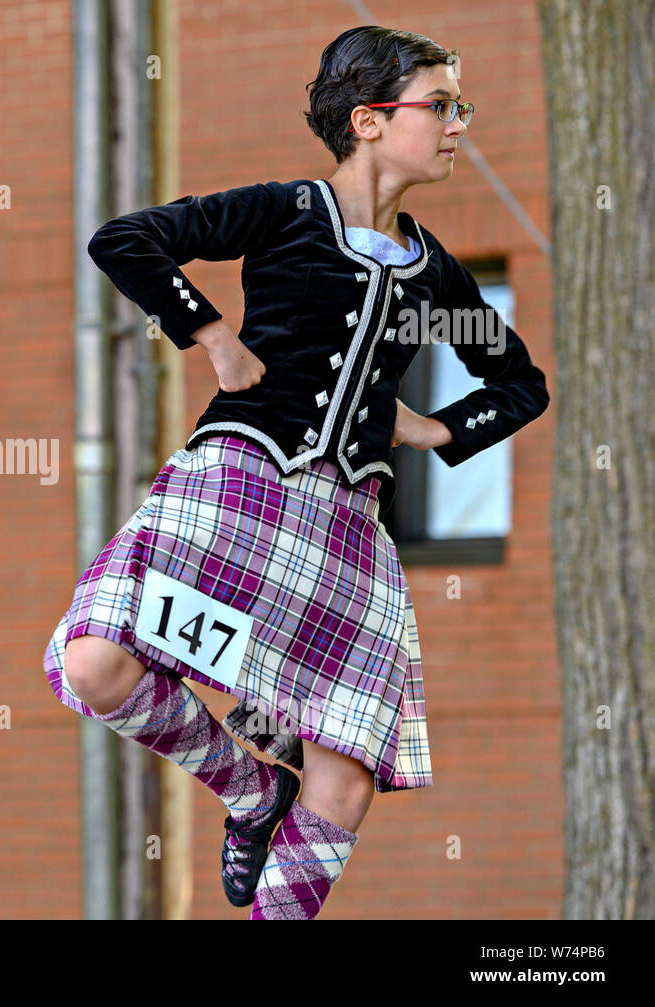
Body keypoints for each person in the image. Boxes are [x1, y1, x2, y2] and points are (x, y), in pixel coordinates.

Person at [42, 25, 550, 919]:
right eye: (441, 105)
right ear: (367, 120)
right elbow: (127, 239)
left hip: (349, 525)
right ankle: (249, 790)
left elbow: (519, 384)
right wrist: (211, 336)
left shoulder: (438, 281)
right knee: (95, 663)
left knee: (346, 774)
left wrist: (435, 430)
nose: (458, 124)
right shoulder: (283, 211)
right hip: (235, 486)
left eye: (459, 107)